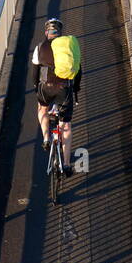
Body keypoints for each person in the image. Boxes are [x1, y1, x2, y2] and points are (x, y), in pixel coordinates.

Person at [32, 17, 81, 174]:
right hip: (64, 89)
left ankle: (46, 139)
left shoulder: (40, 47)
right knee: (65, 125)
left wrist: (36, 87)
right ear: (60, 32)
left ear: (47, 32)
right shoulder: (68, 47)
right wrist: (76, 89)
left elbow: (35, 72)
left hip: (45, 88)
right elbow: (78, 70)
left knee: (42, 109)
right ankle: (66, 164)